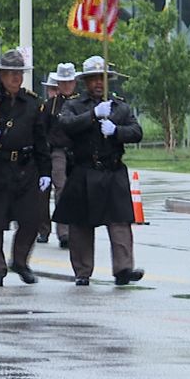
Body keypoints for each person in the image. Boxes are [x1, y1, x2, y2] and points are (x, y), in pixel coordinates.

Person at [52, 57, 143, 286]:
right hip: (84, 170)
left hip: (112, 170)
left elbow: (136, 131)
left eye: (101, 78)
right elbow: (66, 125)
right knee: (80, 225)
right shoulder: (74, 105)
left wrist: (116, 131)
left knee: (120, 221)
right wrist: (92, 116)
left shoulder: (119, 107)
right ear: (85, 82)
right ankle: (82, 271)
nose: (98, 84)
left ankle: (123, 268)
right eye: (93, 79)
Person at [0, 49, 50, 286]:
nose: (17, 78)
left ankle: (21, 261)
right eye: (12, 73)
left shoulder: (33, 103)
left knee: (31, 220)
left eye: (20, 73)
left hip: (25, 167)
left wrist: (45, 171)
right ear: (1, 75)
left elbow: (41, 140)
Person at [39, 62, 78, 248]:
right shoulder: (50, 105)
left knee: (76, 190)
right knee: (61, 188)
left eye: (70, 81)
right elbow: (42, 130)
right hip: (57, 151)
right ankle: (64, 232)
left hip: (78, 151)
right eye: (63, 82)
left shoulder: (80, 103)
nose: (67, 85)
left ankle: (76, 229)